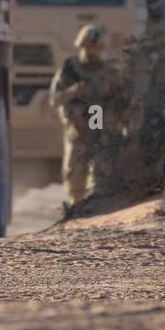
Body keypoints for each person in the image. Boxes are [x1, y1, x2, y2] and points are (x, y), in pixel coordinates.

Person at [49, 24, 110, 205]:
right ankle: (77, 204)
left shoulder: (108, 71)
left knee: (98, 166)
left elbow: (118, 99)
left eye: (94, 47)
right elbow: (55, 98)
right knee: (74, 171)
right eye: (87, 46)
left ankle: (95, 204)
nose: (90, 51)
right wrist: (74, 92)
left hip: (96, 115)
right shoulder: (70, 69)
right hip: (75, 121)